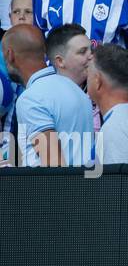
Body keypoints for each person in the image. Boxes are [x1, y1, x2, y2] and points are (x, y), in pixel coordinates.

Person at [9, 23, 95, 166]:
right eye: (82, 51)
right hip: (82, 185)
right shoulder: (77, 91)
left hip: (54, 187)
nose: (90, 57)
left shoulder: (31, 98)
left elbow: (53, 168)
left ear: (9, 54)